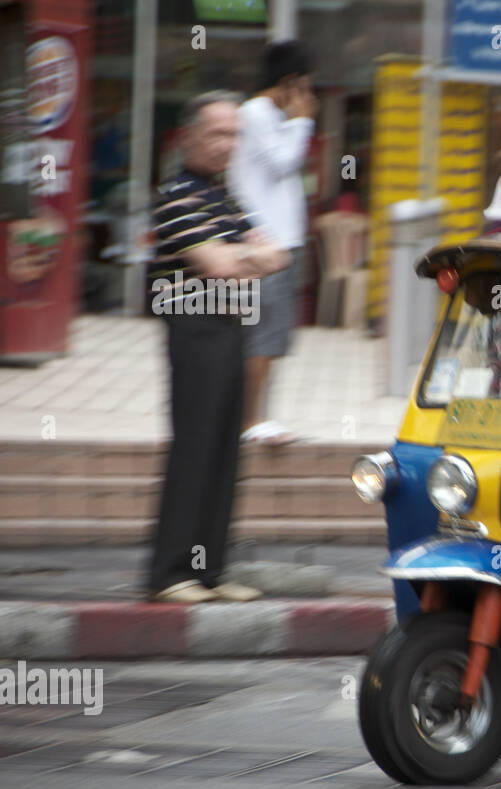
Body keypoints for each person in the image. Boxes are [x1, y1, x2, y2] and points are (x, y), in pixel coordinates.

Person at [146, 91, 288, 603]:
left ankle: (210, 571)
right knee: (195, 447)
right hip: (193, 326)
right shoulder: (176, 194)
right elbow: (219, 266)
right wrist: (244, 257)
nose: (228, 144)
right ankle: (169, 575)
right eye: (217, 133)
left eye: (234, 134)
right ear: (189, 137)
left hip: (231, 327)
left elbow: (279, 253)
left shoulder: (222, 197)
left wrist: (243, 256)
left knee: (227, 451)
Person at [229, 40, 317, 443]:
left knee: (273, 337)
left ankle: (261, 417)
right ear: (290, 83)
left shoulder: (272, 119)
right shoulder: (255, 114)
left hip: (282, 246)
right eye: (305, 88)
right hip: (264, 247)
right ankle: (250, 422)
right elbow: (284, 163)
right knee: (262, 335)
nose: (308, 98)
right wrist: (302, 122)